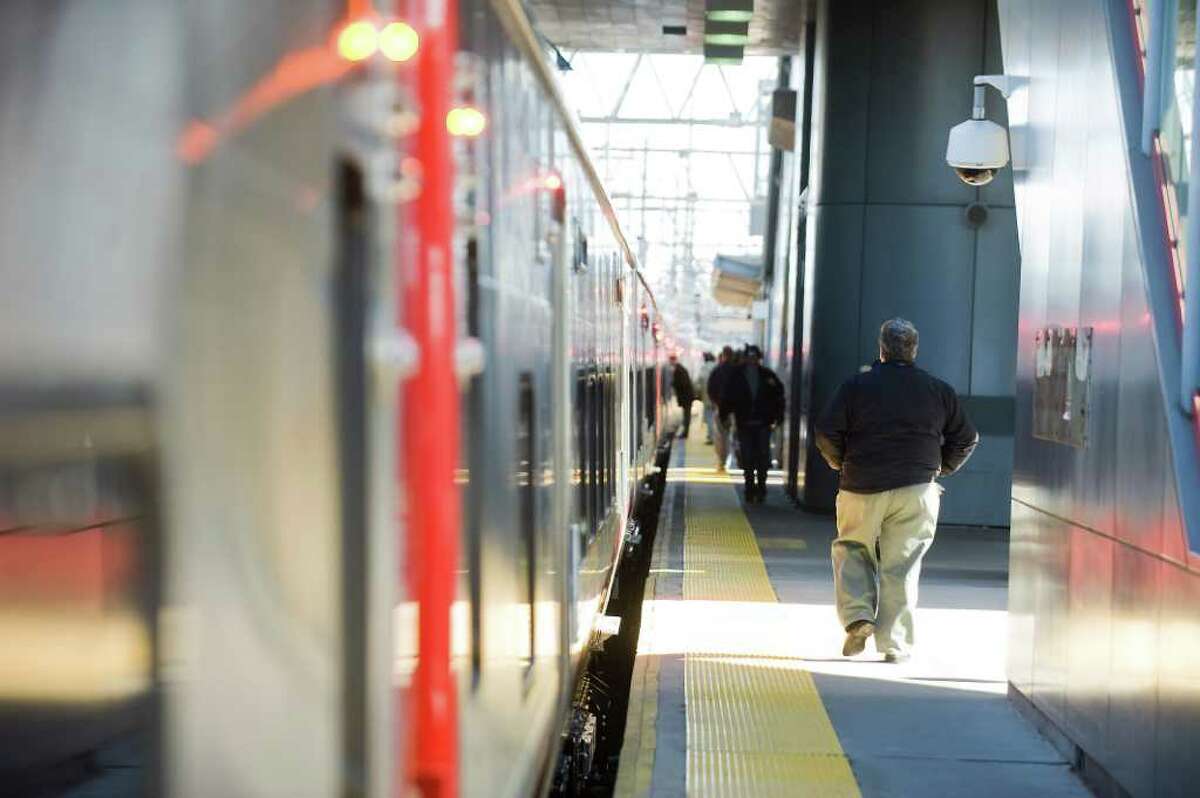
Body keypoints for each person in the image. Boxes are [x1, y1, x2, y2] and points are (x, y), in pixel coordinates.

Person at [815, 318, 978, 663]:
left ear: (882, 349)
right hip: (917, 489)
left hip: (861, 485)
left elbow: (826, 431)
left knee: (852, 548)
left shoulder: (856, 387)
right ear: (914, 350)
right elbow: (966, 438)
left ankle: (858, 616)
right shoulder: (938, 390)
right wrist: (940, 468)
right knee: (902, 564)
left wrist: (840, 462)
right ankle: (894, 644)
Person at [718, 345, 784, 503]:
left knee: (762, 456)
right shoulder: (737, 376)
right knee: (747, 457)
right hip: (744, 423)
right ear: (745, 358)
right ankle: (749, 488)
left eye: (754, 357)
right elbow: (727, 397)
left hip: (763, 423)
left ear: (759, 358)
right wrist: (724, 416)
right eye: (749, 357)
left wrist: (778, 416)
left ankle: (761, 488)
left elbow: (779, 396)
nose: (752, 361)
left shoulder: (767, 375)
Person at [706, 346, 736, 471]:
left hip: (720, 408)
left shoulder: (717, 370)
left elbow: (710, 388)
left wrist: (716, 402)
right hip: (735, 409)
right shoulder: (737, 371)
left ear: (723, 355)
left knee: (721, 435)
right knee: (733, 434)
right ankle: (732, 456)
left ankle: (723, 459)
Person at [669, 354, 695, 439]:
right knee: (686, 414)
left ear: (673, 360)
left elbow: (682, 383)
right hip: (687, 396)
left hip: (686, 397)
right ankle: (685, 432)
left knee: (686, 415)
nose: (670, 363)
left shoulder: (679, 370)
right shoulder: (680, 369)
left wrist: (673, 384)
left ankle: (685, 433)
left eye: (671, 361)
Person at [696, 352, 716, 443]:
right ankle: (712, 435)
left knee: (709, 418)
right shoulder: (716, 366)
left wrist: (697, 392)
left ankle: (711, 437)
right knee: (714, 417)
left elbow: (699, 381)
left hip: (708, 397)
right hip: (717, 398)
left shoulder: (704, 368)